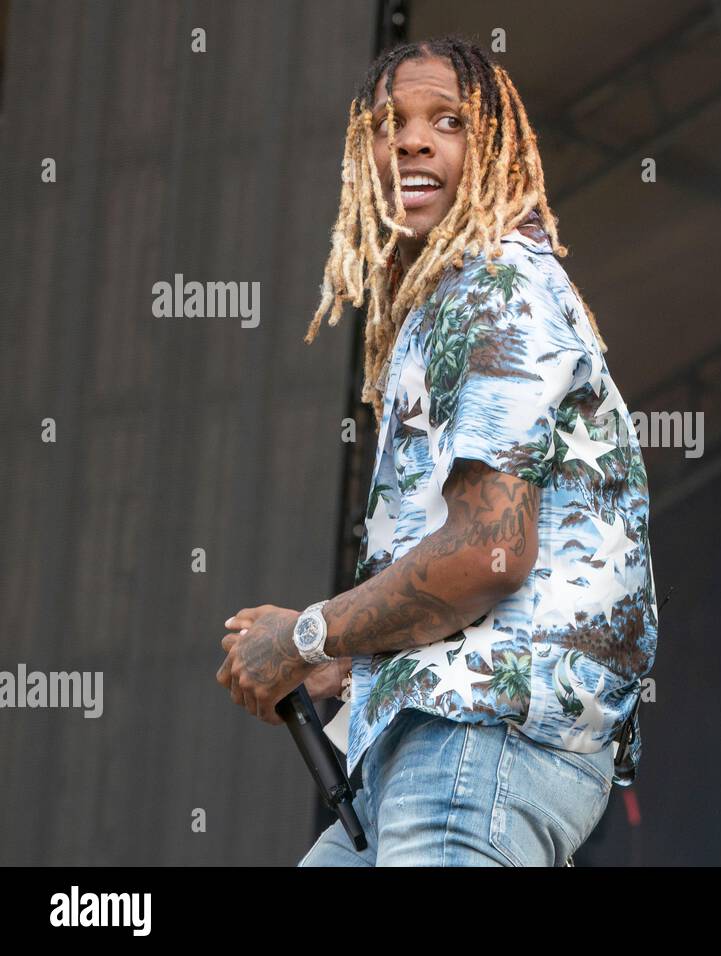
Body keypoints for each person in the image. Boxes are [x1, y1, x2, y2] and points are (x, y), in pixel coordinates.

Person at [214, 34, 657, 866]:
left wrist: (310, 636)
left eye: (446, 121)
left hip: (477, 738)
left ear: (493, 150)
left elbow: (491, 552)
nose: (411, 139)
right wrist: (347, 664)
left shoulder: (496, 286)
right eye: (389, 123)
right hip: (429, 738)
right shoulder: (446, 303)